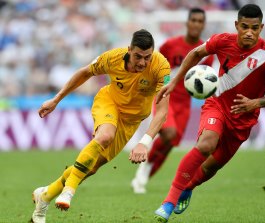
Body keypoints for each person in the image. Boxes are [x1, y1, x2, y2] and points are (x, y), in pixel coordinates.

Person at [153, 4, 265, 222]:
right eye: (244, 26)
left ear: (261, 28)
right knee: (206, 144)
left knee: (209, 168)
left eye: (254, 27)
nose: (249, 32)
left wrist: (255, 103)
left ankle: (188, 188)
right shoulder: (222, 41)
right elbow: (196, 53)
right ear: (237, 25)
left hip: (243, 122)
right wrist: (175, 81)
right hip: (217, 105)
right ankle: (168, 203)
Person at [30, 29, 171, 223]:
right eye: (138, 56)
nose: (142, 62)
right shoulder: (112, 58)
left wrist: (144, 142)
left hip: (131, 121)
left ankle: (44, 196)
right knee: (105, 136)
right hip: (109, 102)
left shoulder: (161, 66)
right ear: (129, 50)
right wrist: (56, 99)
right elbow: (84, 72)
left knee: (93, 166)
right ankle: (69, 191)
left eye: (147, 57)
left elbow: (162, 111)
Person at [131, 7, 214, 194]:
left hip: (185, 103)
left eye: (200, 21)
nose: (196, 24)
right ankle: (144, 166)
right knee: (168, 134)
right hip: (165, 96)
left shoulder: (206, 53)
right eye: (193, 20)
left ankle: (144, 175)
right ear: (187, 23)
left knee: (169, 145)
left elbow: (202, 82)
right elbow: (153, 67)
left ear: (203, 25)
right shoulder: (170, 45)